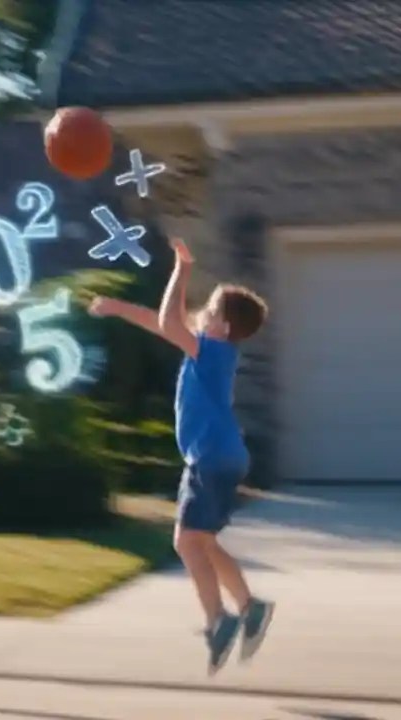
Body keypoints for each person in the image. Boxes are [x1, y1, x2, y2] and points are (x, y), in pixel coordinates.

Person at [88, 236, 274, 675]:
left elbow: (171, 321)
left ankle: (219, 621)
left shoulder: (213, 352)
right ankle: (250, 608)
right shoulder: (211, 348)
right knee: (202, 541)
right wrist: (117, 307)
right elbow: (163, 323)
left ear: (223, 327)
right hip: (222, 456)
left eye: (209, 311)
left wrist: (182, 267)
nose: (203, 314)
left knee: (185, 541)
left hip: (211, 457)